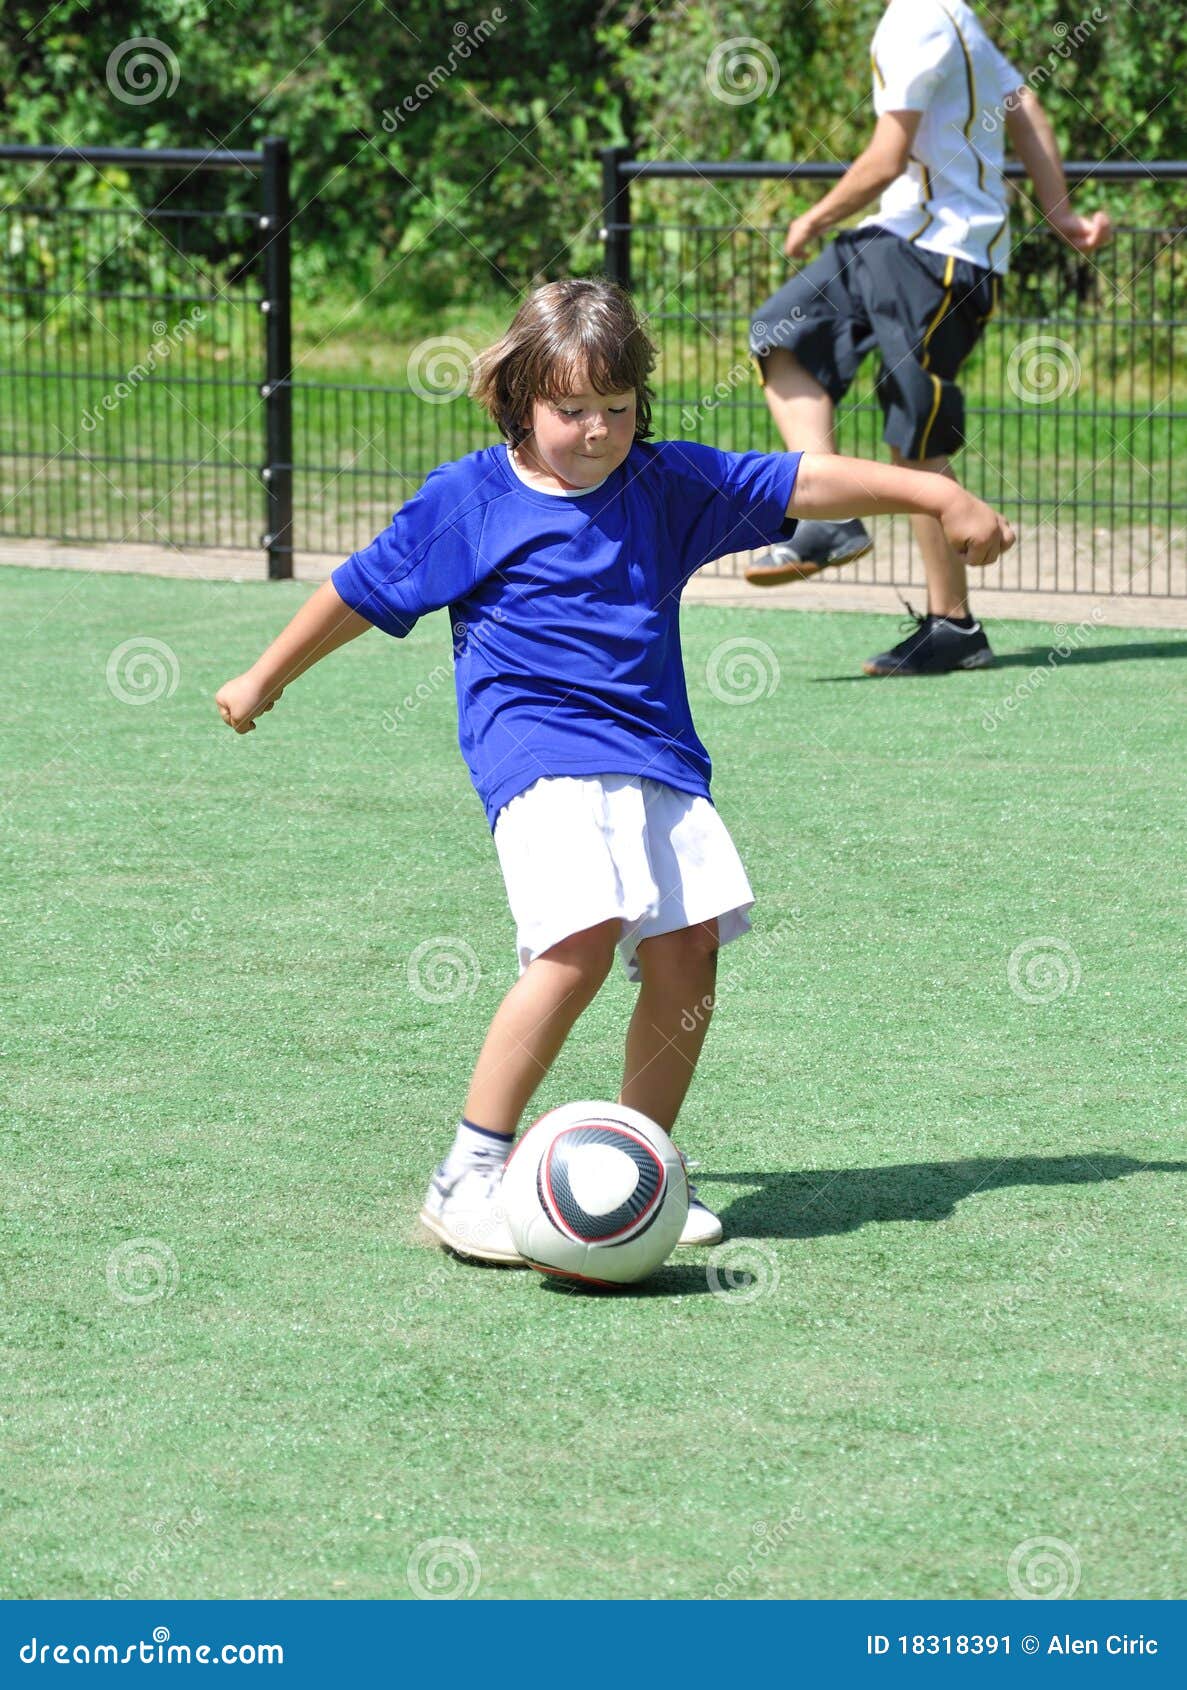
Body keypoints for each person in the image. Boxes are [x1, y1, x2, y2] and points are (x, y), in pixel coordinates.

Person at [214, 278, 1013, 1264]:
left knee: (687, 955)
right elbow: (355, 590)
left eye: (617, 409)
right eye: (570, 410)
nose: (596, 431)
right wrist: (264, 676)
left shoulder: (665, 484)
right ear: (516, 398)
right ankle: (468, 1171)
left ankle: (640, 1163)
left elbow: (800, 482)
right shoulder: (467, 499)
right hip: (536, 750)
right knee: (581, 937)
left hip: (657, 755)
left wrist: (933, 490)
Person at [746, 0, 1111, 676]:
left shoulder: (917, 18)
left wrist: (813, 218)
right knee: (780, 332)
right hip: (897, 243)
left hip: (940, 258)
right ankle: (827, 516)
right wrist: (1061, 216)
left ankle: (952, 625)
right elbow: (1026, 109)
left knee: (915, 437)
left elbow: (886, 157)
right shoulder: (953, 14)